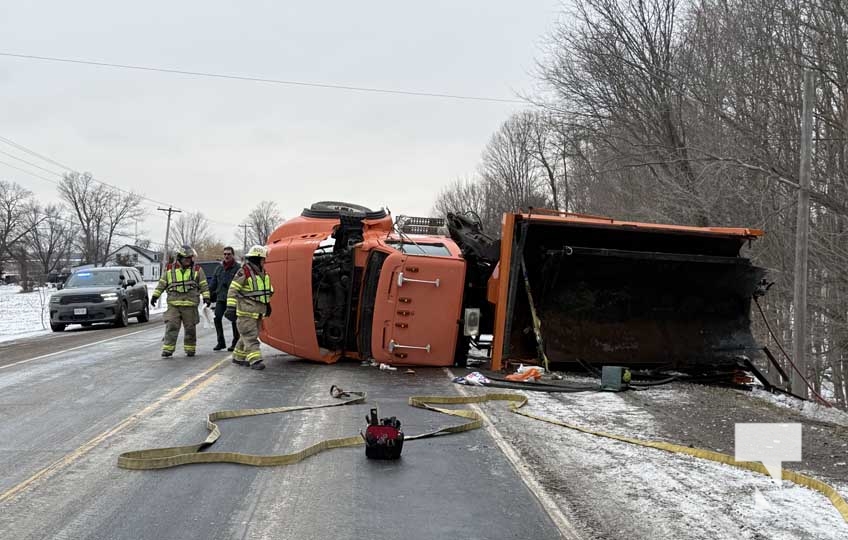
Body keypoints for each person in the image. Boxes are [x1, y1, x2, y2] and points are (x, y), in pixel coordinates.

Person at [151, 245, 211, 357]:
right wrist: (155, 296)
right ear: (179, 258)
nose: (188, 260)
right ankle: (168, 349)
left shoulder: (197, 270)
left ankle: (190, 349)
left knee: (190, 328)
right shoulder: (169, 269)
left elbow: (204, 285)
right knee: (171, 326)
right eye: (186, 258)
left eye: (190, 258)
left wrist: (207, 297)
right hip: (174, 304)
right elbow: (162, 284)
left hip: (190, 304)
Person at [225, 244, 274, 370]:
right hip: (246, 313)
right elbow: (233, 290)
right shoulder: (244, 272)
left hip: (257, 312)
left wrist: (267, 304)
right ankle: (255, 360)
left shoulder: (262, 273)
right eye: (263, 259)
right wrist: (230, 307)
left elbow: (267, 291)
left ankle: (238, 357)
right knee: (250, 337)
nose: (265, 261)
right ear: (258, 259)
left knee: (246, 336)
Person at [207, 246, 241, 351]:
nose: (226, 256)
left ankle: (235, 342)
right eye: (225, 254)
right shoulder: (219, 268)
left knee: (234, 320)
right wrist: (207, 295)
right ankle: (221, 342)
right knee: (216, 318)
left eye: (229, 254)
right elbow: (213, 283)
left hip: (233, 299)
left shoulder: (238, 268)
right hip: (221, 298)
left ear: (233, 255)